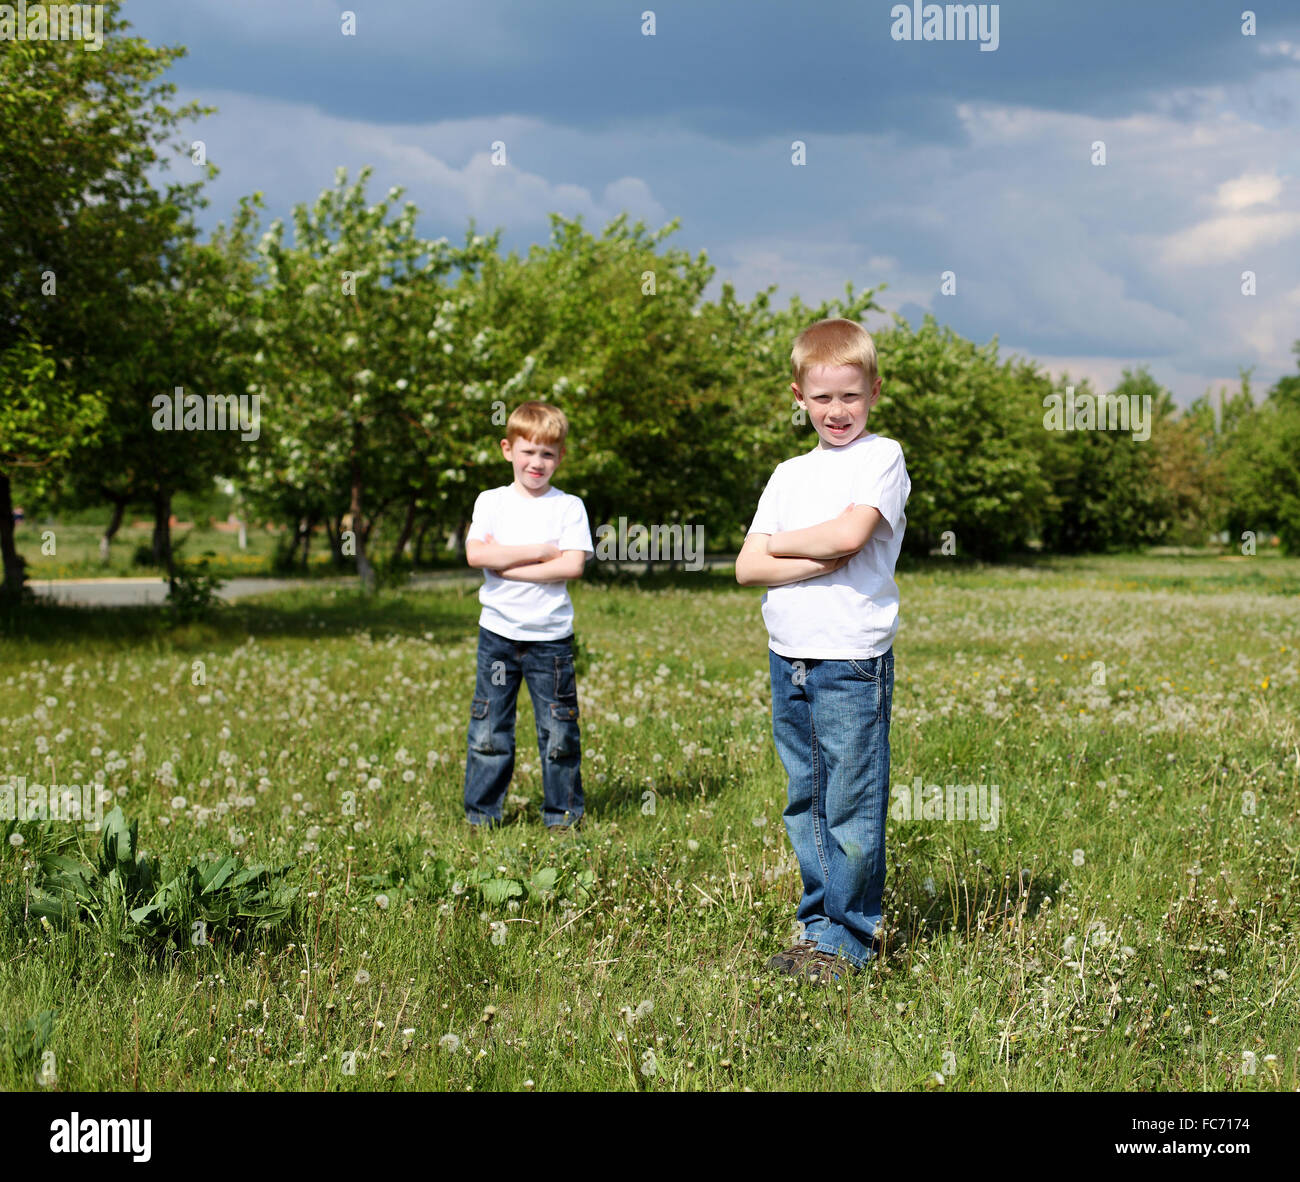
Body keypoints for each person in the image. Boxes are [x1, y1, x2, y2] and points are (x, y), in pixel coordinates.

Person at [735, 318, 911, 984]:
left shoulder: (880, 457)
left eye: (850, 396)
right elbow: (749, 566)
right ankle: (818, 927)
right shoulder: (787, 474)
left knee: (851, 801)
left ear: (873, 390)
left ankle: (852, 938)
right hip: (791, 655)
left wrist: (796, 545)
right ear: (798, 396)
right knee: (805, 799)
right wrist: (819, 550)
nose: (837, 411)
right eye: (822, 397)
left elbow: (854, 532)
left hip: (850, 656)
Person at [463, 401, 594, 830]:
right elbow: (476, 553)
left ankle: (563, 817)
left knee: (558, 731)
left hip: (550, 640)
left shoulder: (568, 507)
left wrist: (504, 564)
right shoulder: (491, 502)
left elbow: (572, 565)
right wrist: (538, 551)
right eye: (528, 451)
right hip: (498, 635)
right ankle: (482, 815)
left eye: (548, 454)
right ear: (508, 449)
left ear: (560, 458)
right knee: (489, 728)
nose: (537, 462)